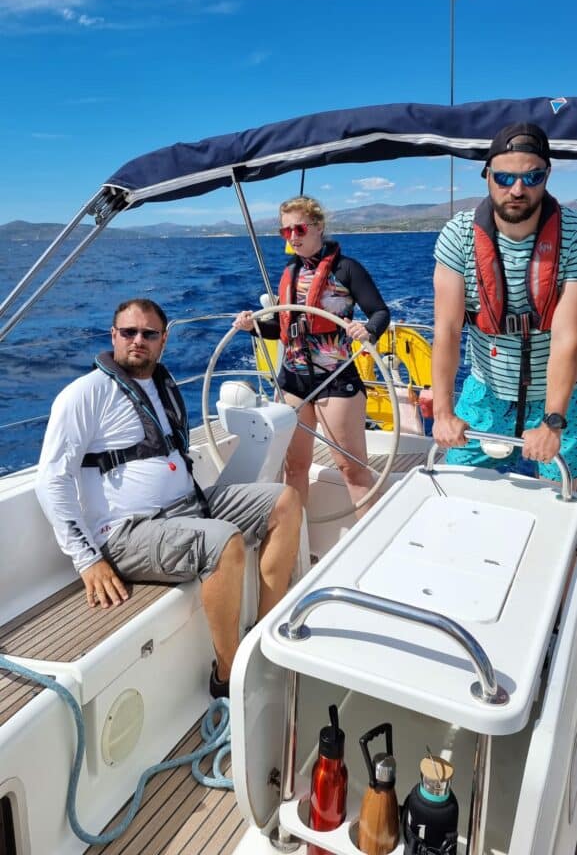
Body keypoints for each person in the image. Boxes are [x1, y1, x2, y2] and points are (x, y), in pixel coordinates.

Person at [36, 298, 302, 699]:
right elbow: (51, 479)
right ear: (114, 336)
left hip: (186, 507)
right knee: (224, 542)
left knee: (285, 500)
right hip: (128, 532)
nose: (137, 341)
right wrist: (88, 559)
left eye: (148, 334)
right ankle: (230, 676)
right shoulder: (85, 394)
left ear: (164, 340)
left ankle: (261, 636)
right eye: (128, 332)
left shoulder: (161, 385)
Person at [432, 122, 577, 482]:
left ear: (547, 176)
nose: (517, 189)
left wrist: (553, 421)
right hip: (487, 390)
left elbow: (567, 337)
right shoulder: (459, 235)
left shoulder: (573, 234)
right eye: (504, 177)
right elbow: (447, 330)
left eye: (532, 178)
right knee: (456, 485)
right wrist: (443, 413)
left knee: (564, 498)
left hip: (558, 396)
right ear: (487, 176)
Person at [234, 196, 390, 516]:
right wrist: (252, 327)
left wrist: (368, 330)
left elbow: (379, 313)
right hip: (292, 382)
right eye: (285, 231)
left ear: (318, 227)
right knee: (294, 468)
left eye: (300, 228)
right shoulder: (289, 273)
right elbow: (280, 328)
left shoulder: (347, 269)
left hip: (335, 380)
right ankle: (294, 549)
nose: (293, 236)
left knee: (352, 469)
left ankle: (372, 543)